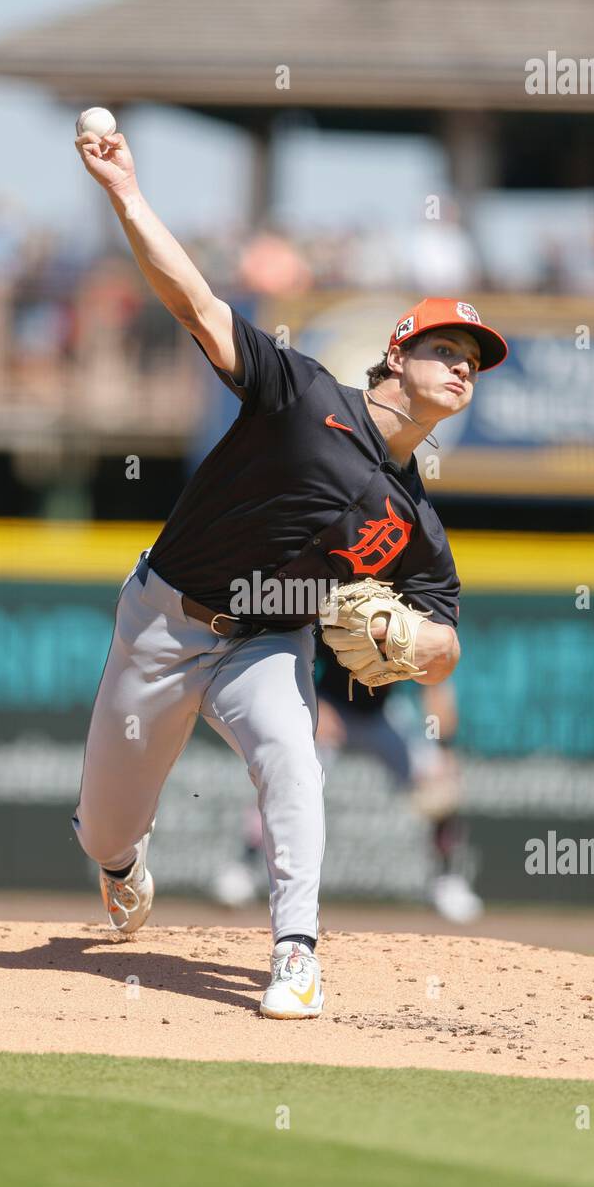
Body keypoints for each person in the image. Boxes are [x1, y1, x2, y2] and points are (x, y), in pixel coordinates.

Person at [71, 125, 508, 1020]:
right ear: (397, 356)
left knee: (294, 762)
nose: (463, 366)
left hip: (266, 644)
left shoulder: (417, 521)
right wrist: (125, 195)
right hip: (162, 620)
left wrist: (418, 642)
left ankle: (295, 954)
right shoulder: (303, 395)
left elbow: (448, 639)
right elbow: (194, 301)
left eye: (474, 362)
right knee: (107, 828)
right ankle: (121, 868)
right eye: (446, 350)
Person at [212, 635, 484, 924]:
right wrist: (314, 704)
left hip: (380, 715)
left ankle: (447, 881)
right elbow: (293, 659)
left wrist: (443, 748)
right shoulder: (337, 609)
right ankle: (244, 867)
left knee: (435, 775)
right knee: (287, 773)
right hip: (330, 707)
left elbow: (435, 684)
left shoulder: (407, 618)